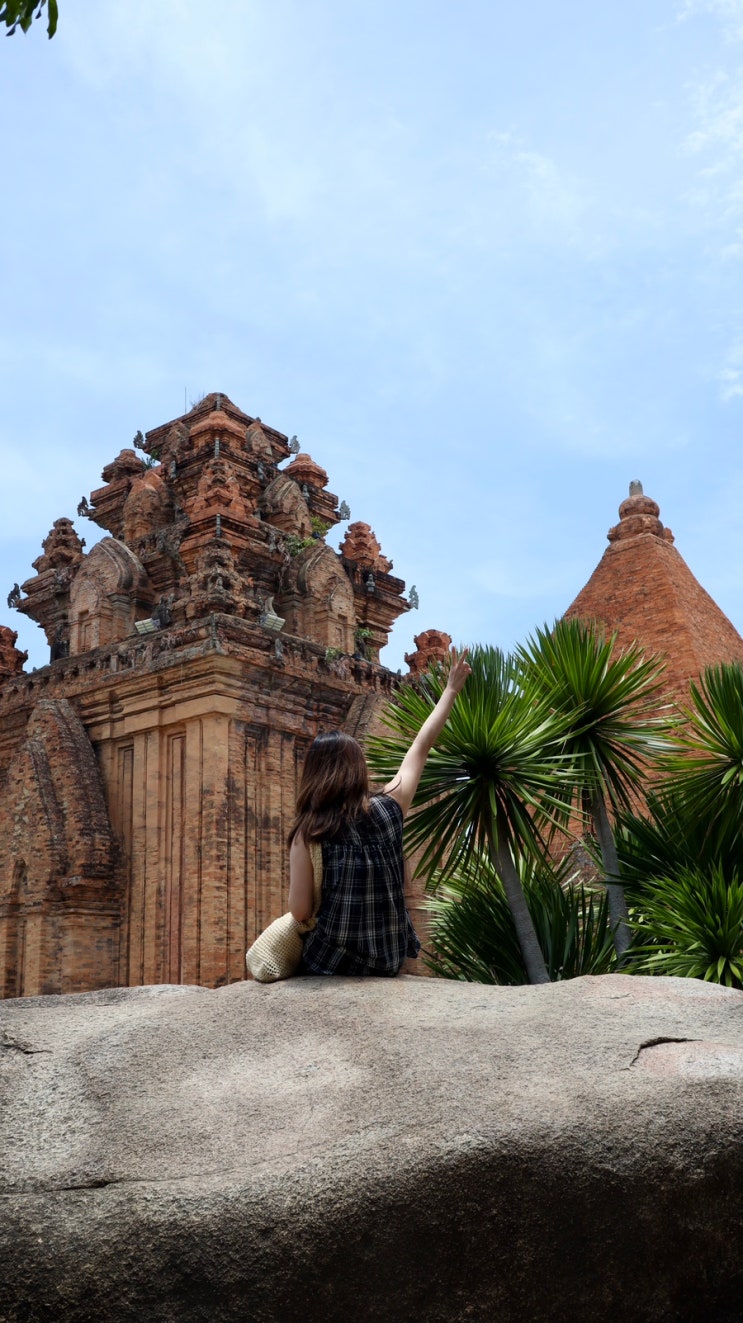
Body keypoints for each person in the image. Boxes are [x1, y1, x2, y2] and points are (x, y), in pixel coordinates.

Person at [288, 647, 471, 976]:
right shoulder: (390, 808)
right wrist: (450, 690)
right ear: (359, 769)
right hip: (386, 961)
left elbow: (300, 911)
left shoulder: (309, 831)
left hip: (331, 963)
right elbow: (420, 747)